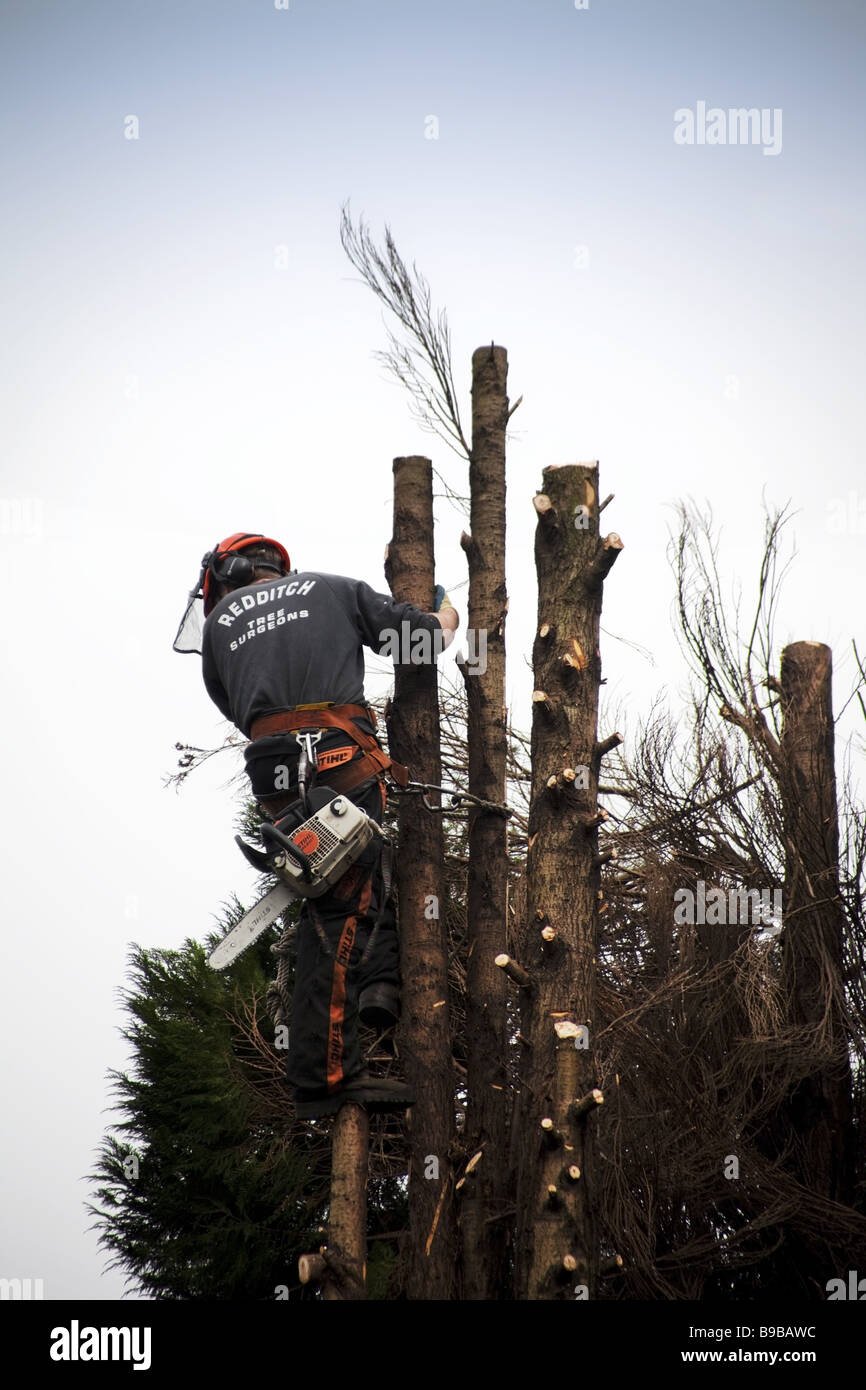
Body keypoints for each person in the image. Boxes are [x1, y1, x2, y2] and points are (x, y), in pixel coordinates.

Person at [178, 532, 458, 1119]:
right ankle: (324, 1078)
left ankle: (380, 986)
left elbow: (236, 707)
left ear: (222, 577)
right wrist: (445, 610)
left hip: (277, 783)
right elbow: (420, 641)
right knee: (338, 913)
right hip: (343, 764)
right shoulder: (331, 589)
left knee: (355, 884)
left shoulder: (218, 628)